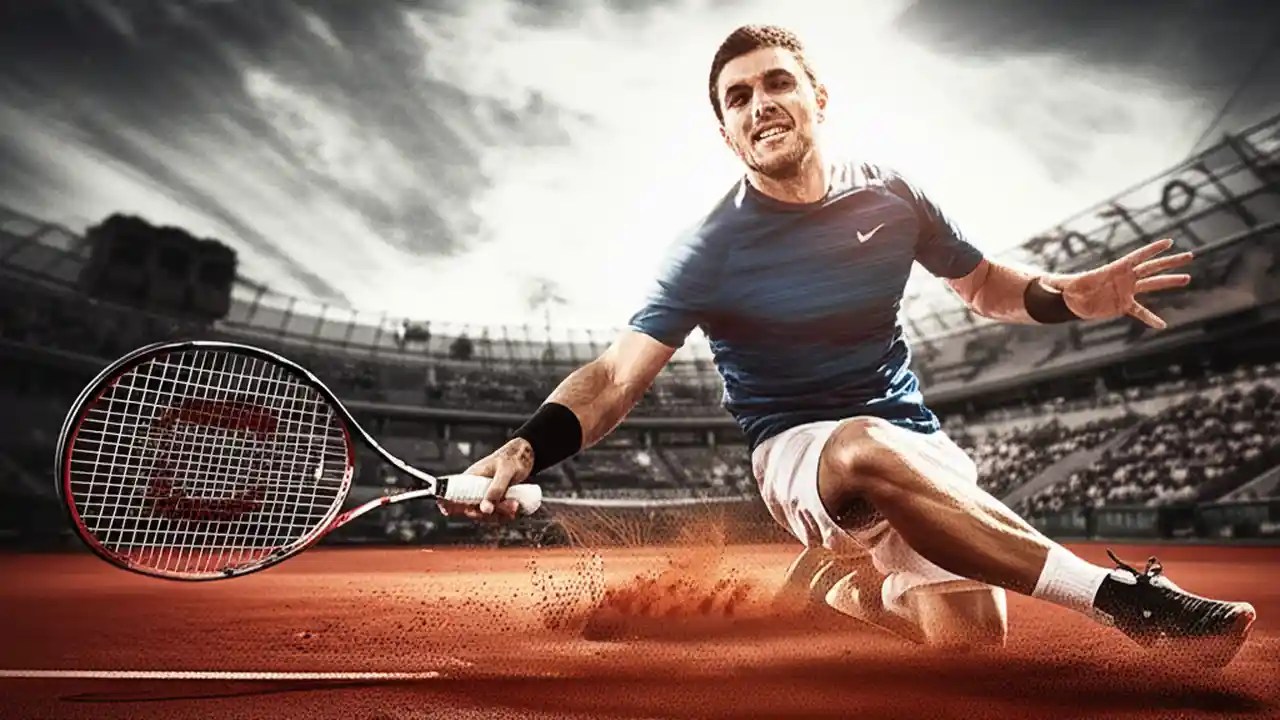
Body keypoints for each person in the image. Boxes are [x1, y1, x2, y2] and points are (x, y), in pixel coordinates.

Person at [438, 25, 1255, 663]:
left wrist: (1067, 297)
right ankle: (1123, 600)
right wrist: (525, 446)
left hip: (913, 440)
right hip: (801, 453)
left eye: (777, 83)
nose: (760, 103)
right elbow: (617, 377)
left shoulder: (893, 195)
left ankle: (856, 596)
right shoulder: (707, 248)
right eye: (738, 97)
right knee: (861, 446)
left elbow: (985, 288)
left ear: (818, 97)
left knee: (971, 647)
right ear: (726, 132)